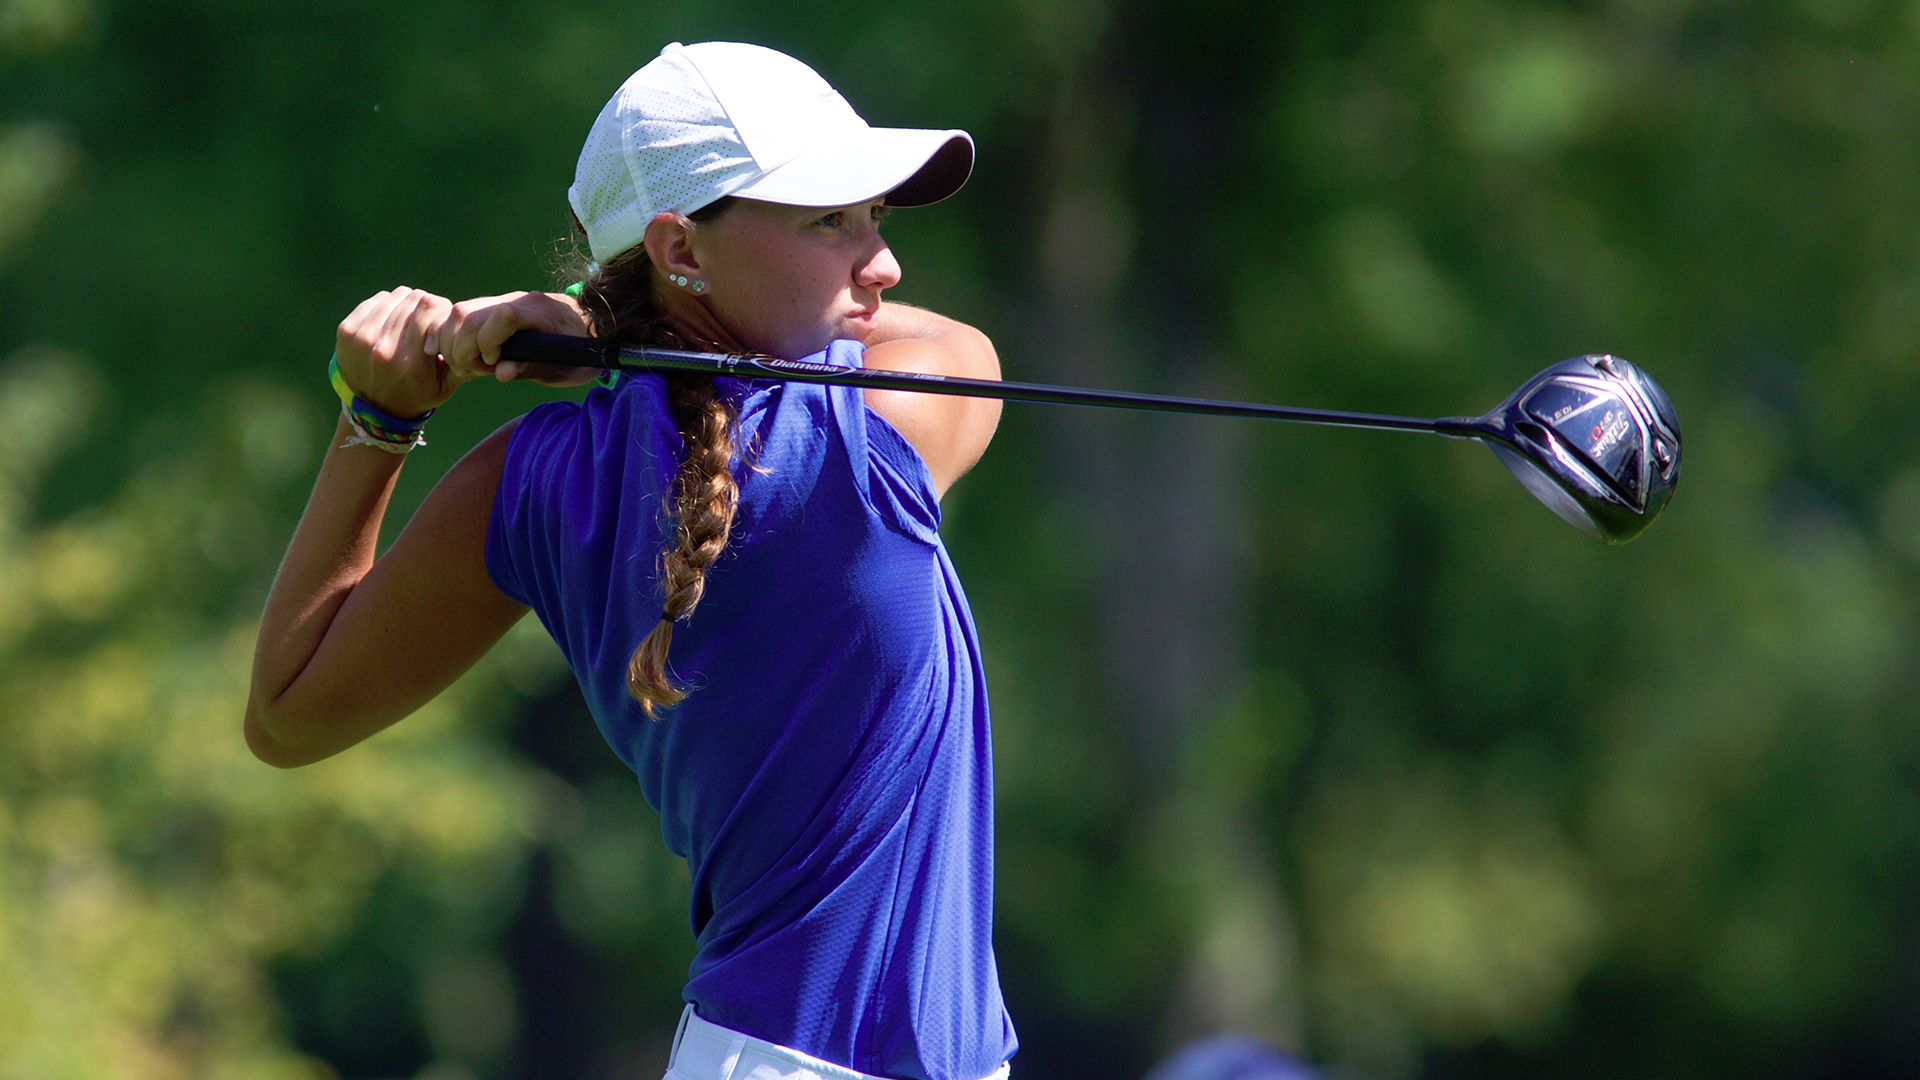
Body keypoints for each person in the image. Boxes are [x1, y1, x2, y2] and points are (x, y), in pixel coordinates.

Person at [245, 41, 1014, 1080]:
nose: (881, 263)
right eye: (829, 221)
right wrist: (598, 326)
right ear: (680, 248)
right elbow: (968, 350)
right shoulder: (862, 440)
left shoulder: (530, 476)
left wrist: (377, 419)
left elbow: (290, 713)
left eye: (873, 217)